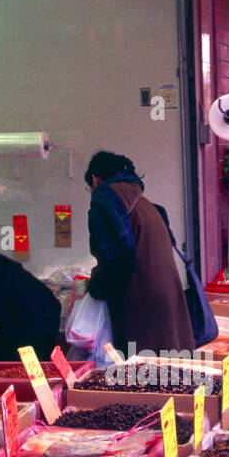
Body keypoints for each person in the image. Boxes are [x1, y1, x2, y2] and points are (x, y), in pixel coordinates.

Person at [84, 151, 194, 355]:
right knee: (167, 374)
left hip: (140, 304)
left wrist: (93, 288)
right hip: (167, 299)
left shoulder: (105, 202)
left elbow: (116, 261)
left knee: (143, 375)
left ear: (95, 179)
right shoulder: (144, 203)